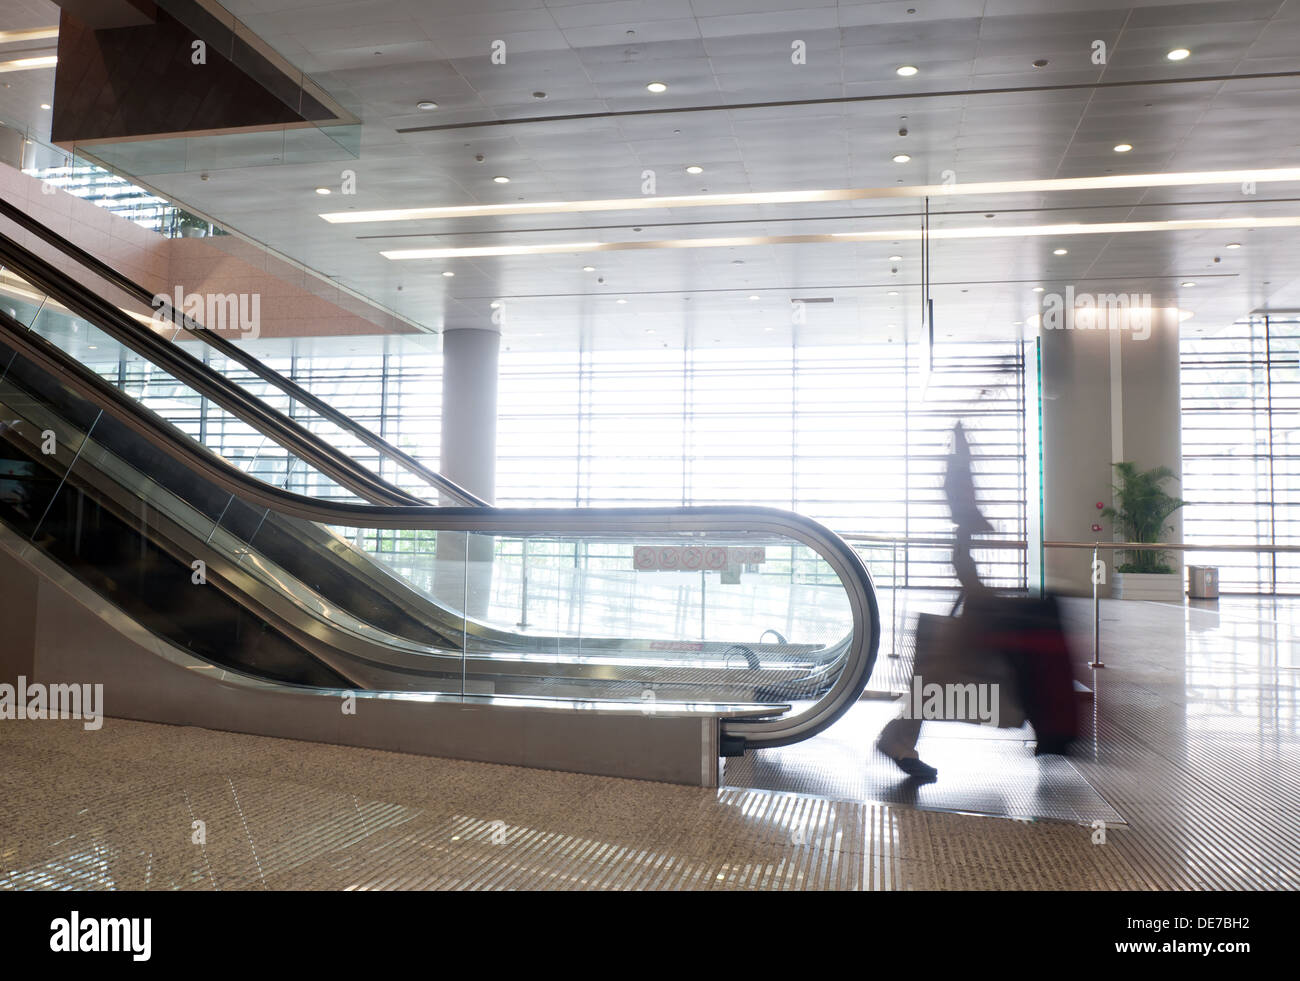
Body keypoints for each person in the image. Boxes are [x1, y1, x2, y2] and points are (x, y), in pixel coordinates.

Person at [876, 421, 991, 780]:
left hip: (958, 613)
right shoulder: (961, 540)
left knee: (934, 679)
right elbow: (960, 491)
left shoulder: (962, 537)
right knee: (934, 677)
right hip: (955, 618)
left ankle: (899, 740)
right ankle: (897, 740)